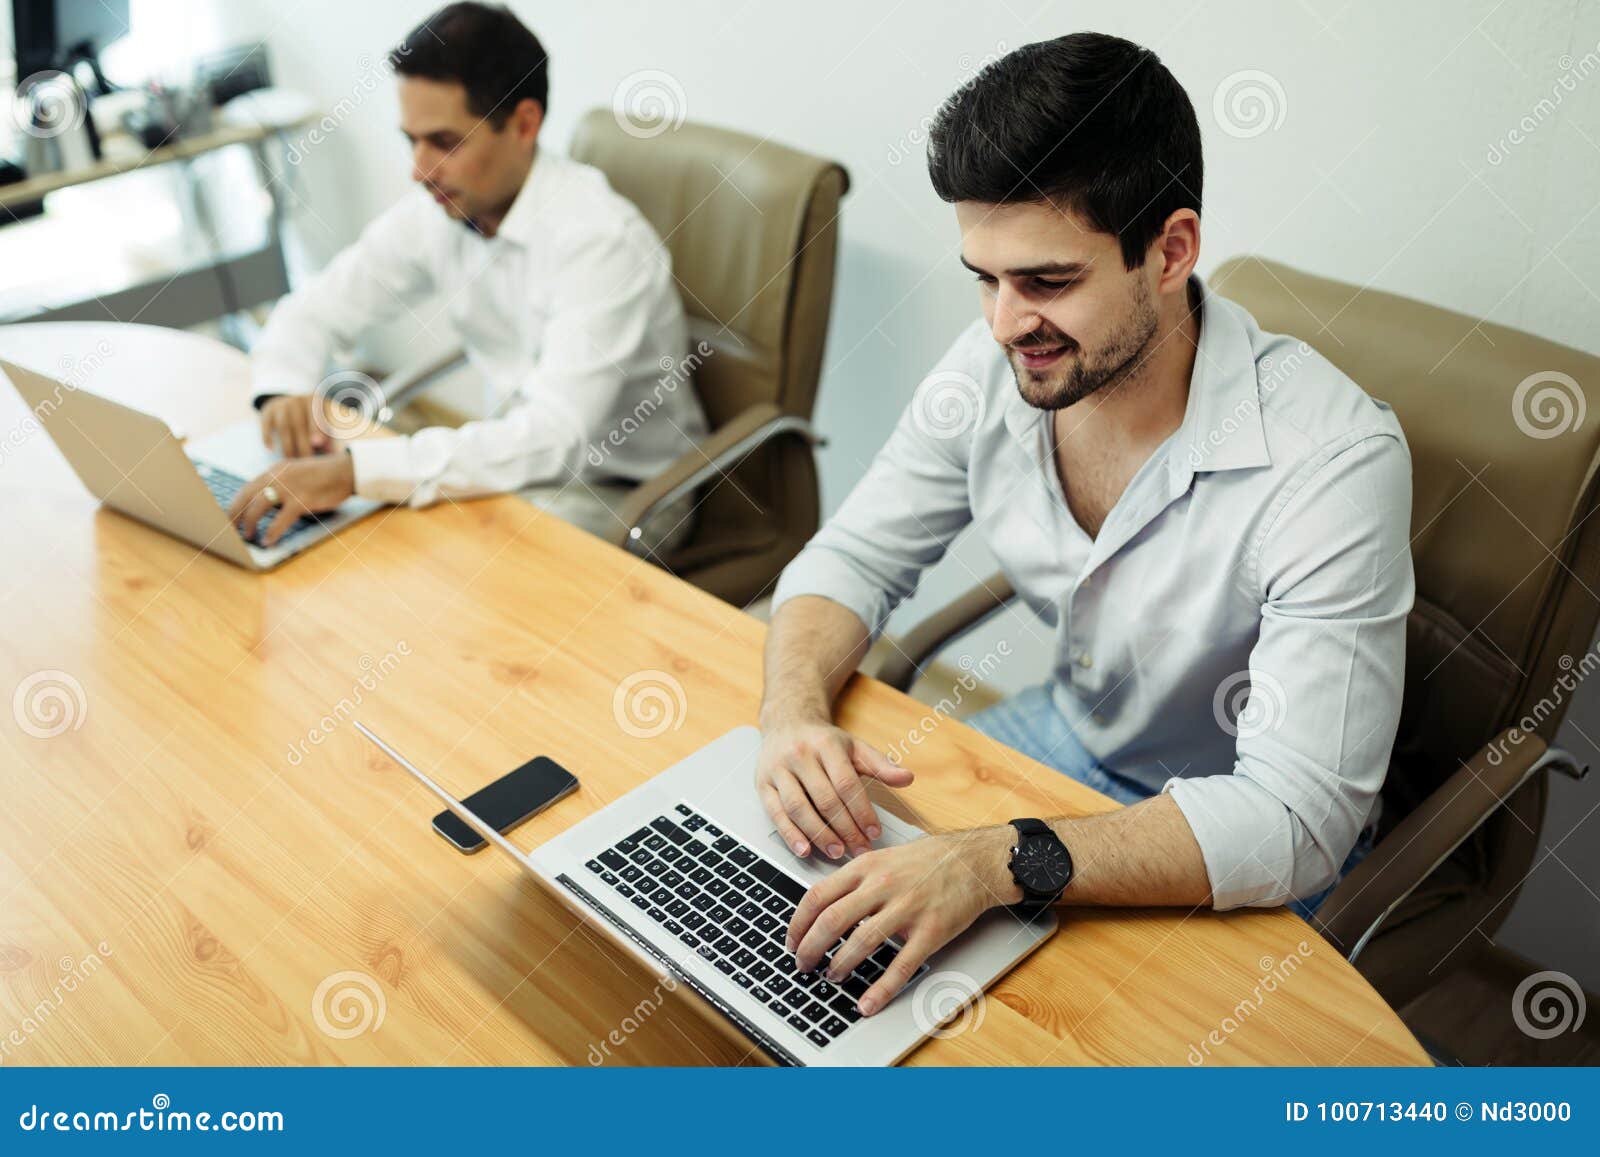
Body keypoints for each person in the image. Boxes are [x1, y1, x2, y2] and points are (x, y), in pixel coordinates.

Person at [757, 32, 1414, 1017]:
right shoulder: (995, 368)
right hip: (1062, 739)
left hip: (1236, 824)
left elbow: (1296, 818)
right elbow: (855, 553)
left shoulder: (1332, 458)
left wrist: (999, 859)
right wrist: (791, 711)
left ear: (1170, 250)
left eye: (1047, 281)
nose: (1001, 322)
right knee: (827, 950)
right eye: (985, 276)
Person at [228, 3, 706, 550]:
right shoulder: (441, 208)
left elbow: (554, 440)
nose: (420, 170)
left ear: (525, 123)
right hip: (508, 463)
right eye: (411, 140)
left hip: (622, 491)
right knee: (364, 550)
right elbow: (317, 306)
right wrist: (283, 388)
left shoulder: (600, 242)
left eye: (444, 142)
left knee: (436, 571)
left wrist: (356, 472)